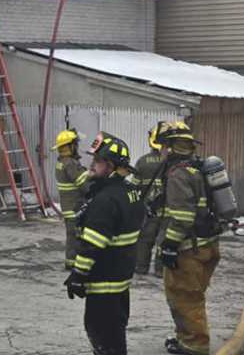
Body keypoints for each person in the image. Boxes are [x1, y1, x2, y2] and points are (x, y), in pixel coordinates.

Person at [65, 132, 145, 355]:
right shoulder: (131, 193)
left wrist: (78, 275)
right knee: (116, 334)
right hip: (121, 282)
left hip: (104, 283)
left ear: (110, 166)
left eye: (97, 161)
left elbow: (92, 244)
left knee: (102, 336)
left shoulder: (105, 200)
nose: (91, 166)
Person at [156, 121, 221, 355]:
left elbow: (182, 217)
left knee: (185, 298)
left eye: (162, 146)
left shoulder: (177, 174)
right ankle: (185, 338)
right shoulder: (198, 168)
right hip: (207, 245)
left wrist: (170, 245)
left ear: (172, 147)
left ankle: (194, 345)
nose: (160, 151)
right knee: (192, 297)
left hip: (188, 249)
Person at [132, 123, 168, 276]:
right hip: (166, 210)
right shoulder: (170, 162)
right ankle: (160, 270)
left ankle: (141, 267)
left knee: (145, 240)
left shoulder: (142, 161)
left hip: (148, 210)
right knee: (163, 240)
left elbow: (134, 186)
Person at [54, 128, 90, 270]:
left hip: (68, 207)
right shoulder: (70, 164)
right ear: (69, 146)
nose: (77, 147)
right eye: (75, 144)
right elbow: (83, 184)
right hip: (74, 208)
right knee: (75, 238)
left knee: (72, 237)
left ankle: (71, 262)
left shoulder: (62, 162)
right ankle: (73, 264)